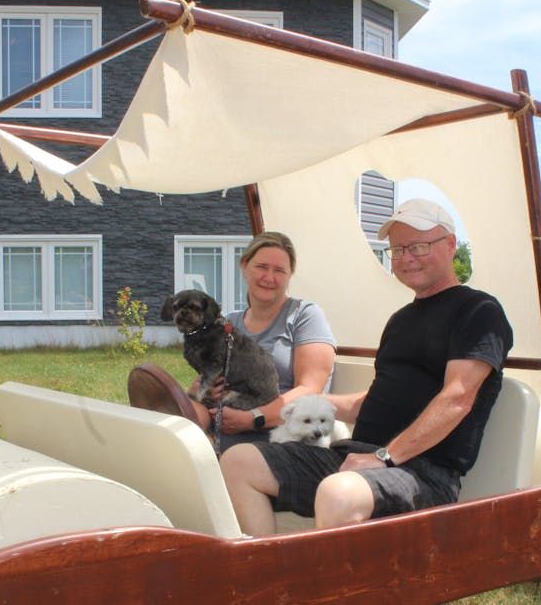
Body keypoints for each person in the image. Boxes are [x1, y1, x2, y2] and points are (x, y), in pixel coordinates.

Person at [220, 199, 513, 535]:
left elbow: (458, 397)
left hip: (422, 472)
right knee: (239, 461)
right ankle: (267, 575)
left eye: (418, 246)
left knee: (338, 492)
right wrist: (308, 402)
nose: (406, 258)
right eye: (398, 250)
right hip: (356, 457)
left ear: (450, 245)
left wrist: (386, 456)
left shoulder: (478, 311)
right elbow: (373, 400)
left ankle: (325, 587)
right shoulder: (401, 320)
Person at [189, 231, 337, 451]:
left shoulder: (304, 315)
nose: (269, 277)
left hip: (281, 435)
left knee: (192, 452)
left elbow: (310, 388)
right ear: (245, 266)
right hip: (222, 422)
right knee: (171, 432)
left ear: (289, 276)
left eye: (279, 270)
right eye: (261, 267)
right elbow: (206, 379)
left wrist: (252, 418)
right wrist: (207, 389)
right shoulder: (228, 323)